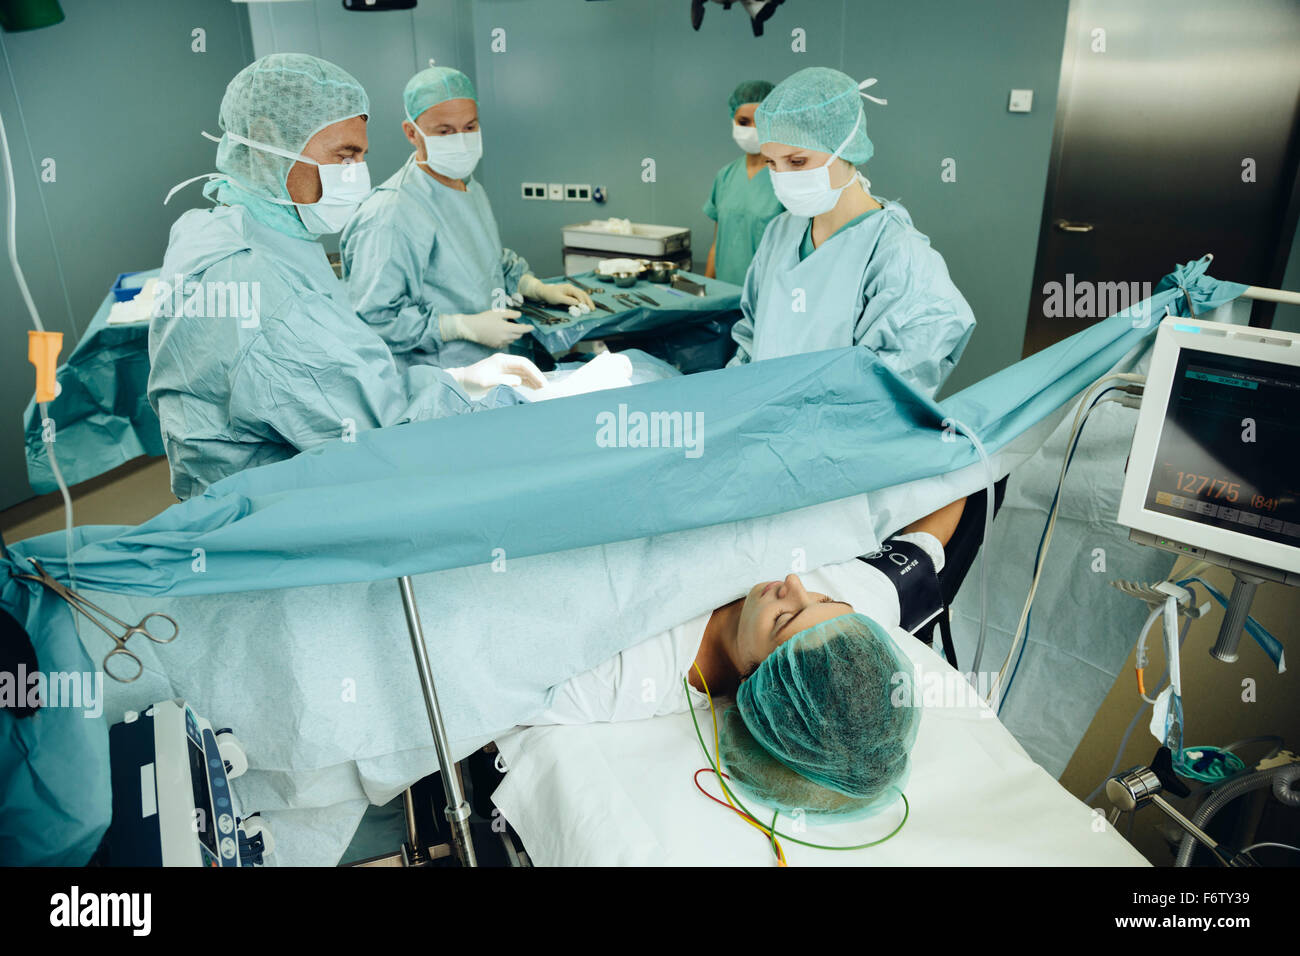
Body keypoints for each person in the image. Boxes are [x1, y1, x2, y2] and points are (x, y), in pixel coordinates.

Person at [150, 54, 543, 500]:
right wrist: (465, 388)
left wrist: (465, 377)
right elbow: (383, 432)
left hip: (282, 488)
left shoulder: (233, 229)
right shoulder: (254, 283)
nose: (357, 174)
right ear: (265, 140)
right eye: (345, 155)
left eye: (362, 155)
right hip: (272, 517)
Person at [527, 497, 964, 816]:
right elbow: (930, 532)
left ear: (752, 684)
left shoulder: (617, 677)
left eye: (785, 618)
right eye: (822, 598)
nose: (793, 583)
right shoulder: (863, 604)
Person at [727, 67, 975, 399]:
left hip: (832, 446)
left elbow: (884, 397)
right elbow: (751, 342)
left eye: (797, 162)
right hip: (763, 431)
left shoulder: (899, 257)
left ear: (844, 147)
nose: (782, 176)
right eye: (772, 163)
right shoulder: (781, 232)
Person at [341, 65, 594, 370]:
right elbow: (375, 318)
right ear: (412, 133)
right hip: (442, 383)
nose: (460, 140)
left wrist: (535, 287)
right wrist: (458, 327)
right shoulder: (391, 213)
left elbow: (487, 261)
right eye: (445, 131)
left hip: (496, 365)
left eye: (470, 127)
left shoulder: (468, 187)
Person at [702, 80, 785, 286]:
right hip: (723, 295)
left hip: (766, 297)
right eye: (744, 122)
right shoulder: (725, 176)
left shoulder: (786, 177)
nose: (752, 129)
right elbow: (717, 245)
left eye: (760, 120)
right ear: (733, 120)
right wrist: (705, 291)